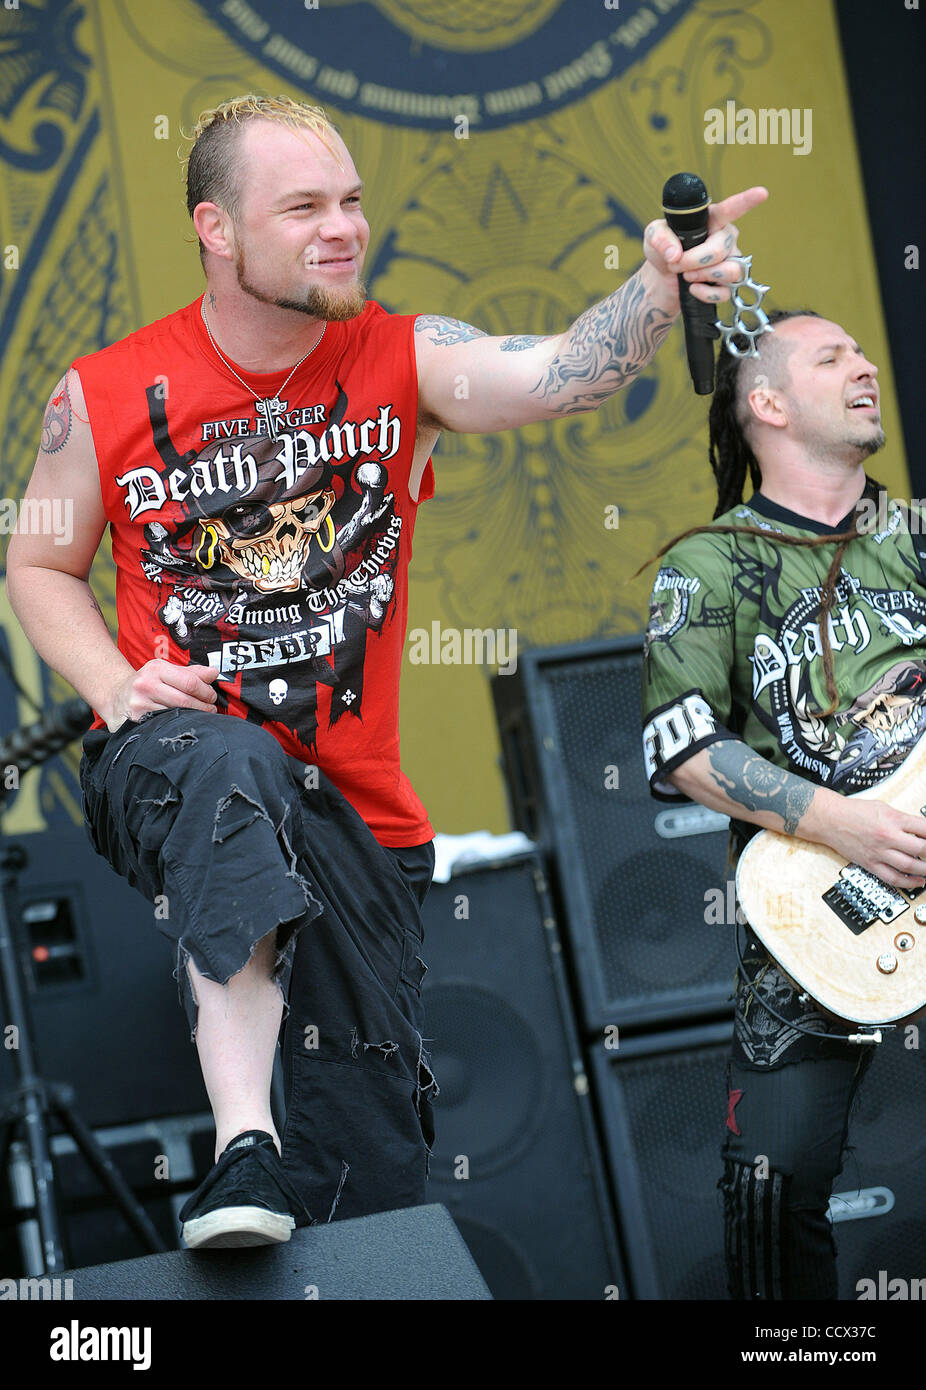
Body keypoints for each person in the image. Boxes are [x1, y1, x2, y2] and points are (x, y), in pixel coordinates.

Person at [6, 92, 764, 1249]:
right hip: (171, 749)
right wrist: (114, 689)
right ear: (215, 228)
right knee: (227, 774)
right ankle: (239, 1143)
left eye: (351, 201)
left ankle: (287, 1186)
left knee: (367, 1181)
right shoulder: (104, 391)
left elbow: (561, 369)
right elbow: (38, 564)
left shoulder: (400, 356)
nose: (341, 228)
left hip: (356, 813)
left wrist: (657, 291)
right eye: (303, 206)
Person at [641, 308, 926, 1299]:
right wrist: (841, 823)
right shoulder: (708, 566)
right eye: (830, 356)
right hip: (817, 903)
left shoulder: (916, 538)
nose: (863, 367)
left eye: (861, 351)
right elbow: (679, 747)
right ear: (764, 402)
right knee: (767, 1182)